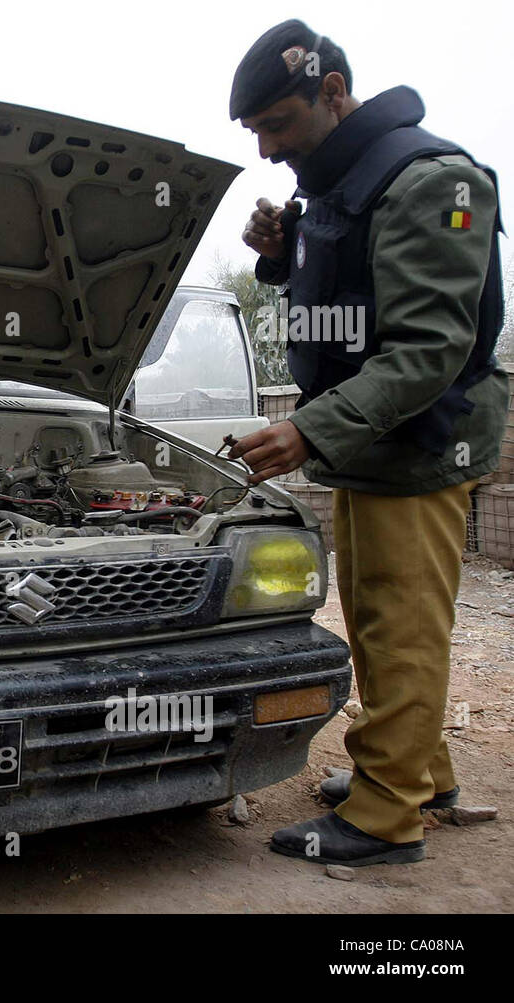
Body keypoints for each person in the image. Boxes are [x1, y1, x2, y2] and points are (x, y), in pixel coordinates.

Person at [226, 19, 508, 865]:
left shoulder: (431, 180)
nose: (271, 150)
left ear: (334, 92)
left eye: (279, 124)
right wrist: (281, 258)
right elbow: (354, 301)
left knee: (405, 628)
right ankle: (423, 774)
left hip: (422, 444)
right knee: (385, 622)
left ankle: (387, 817)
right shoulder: (343, 187)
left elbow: (429, 349)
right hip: (373, 448)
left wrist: (309, 427)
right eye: (257, 134)